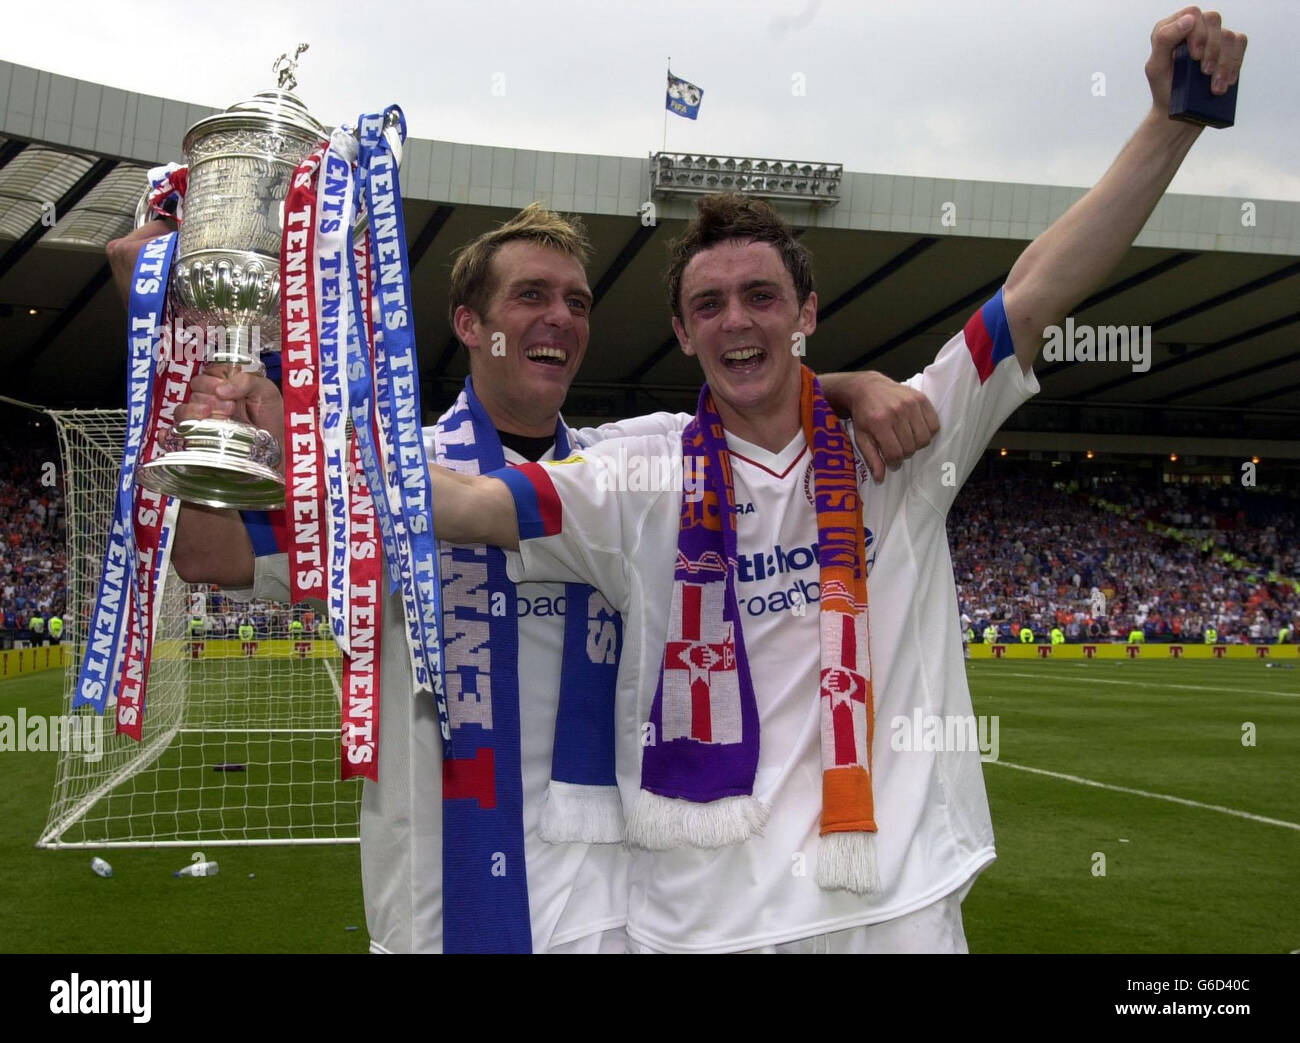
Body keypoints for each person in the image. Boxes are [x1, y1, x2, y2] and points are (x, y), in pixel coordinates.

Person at [424, 8, 1247, 952]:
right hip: (705, 924)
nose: (739, 321)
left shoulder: (900, 446)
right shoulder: (637, 468)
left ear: (805, 311)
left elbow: (1037, 292)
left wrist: (1172, 122)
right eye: (709, 304)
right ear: (685, 333)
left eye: (762, 296)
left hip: (892, 909)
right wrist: (316, 440)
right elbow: (475, 503)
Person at [108, 201, 938, 953]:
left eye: (577, 301)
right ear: (470, 323)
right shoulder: (401, 472)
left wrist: (854, 386)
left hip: (611, 906)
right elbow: (209, 557)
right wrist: (187, 385)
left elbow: (754, 392)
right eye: (532, 296)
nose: (561, 317)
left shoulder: (634, 462)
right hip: (443, 896)